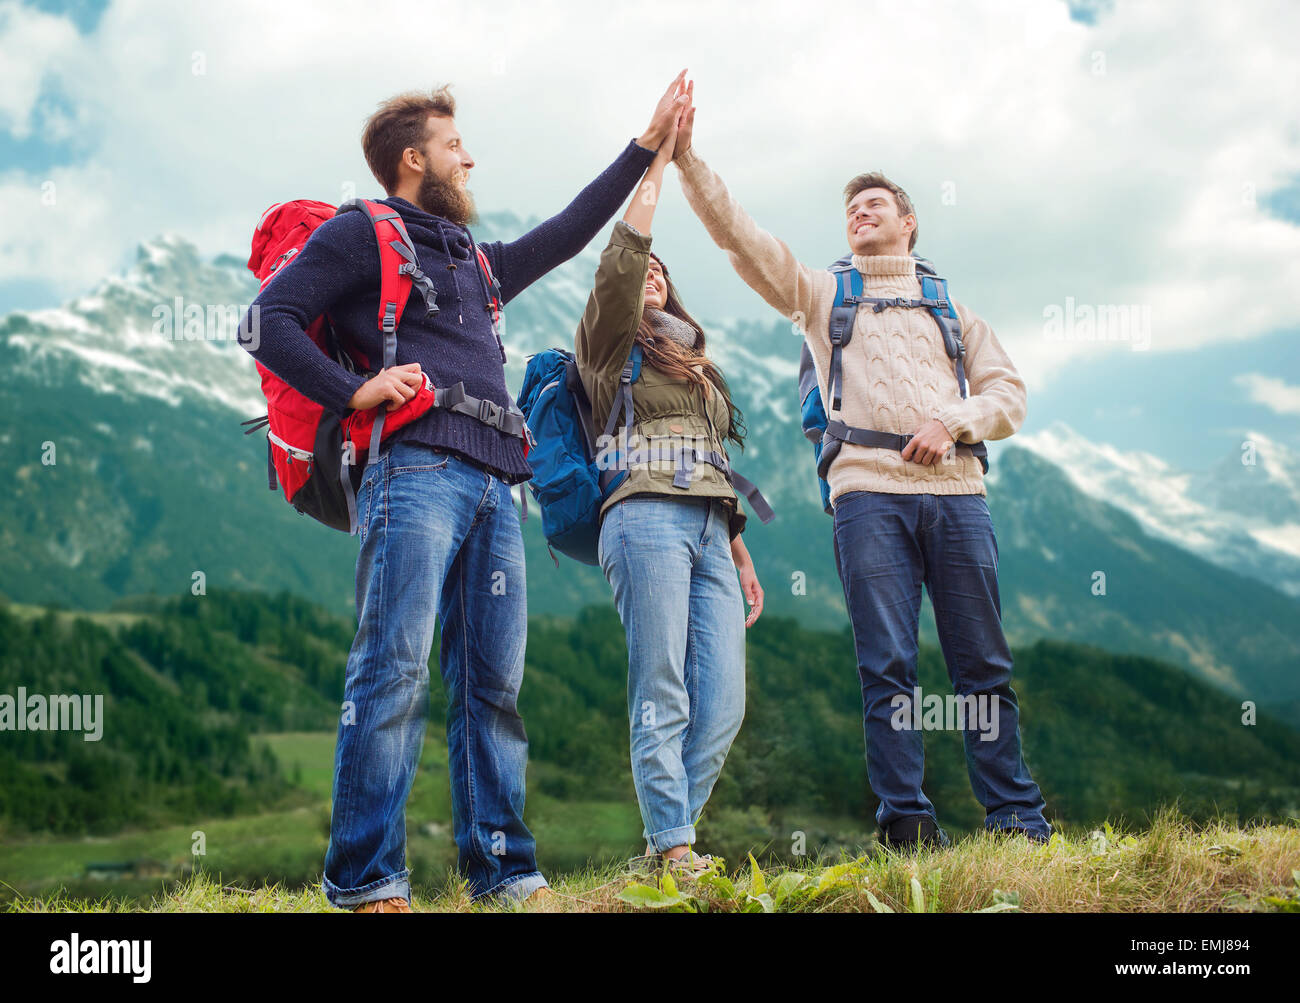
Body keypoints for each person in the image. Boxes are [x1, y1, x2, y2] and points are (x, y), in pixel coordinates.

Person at [239, 73, 692, 910]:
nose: (468, 157)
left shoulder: (474, 261)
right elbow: (264, 321)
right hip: (413, 469)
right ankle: (368, 880)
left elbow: (565, 233)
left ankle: (506, 873)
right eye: (455, 146)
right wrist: (356, 392)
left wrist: (646, 144)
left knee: (493, 684)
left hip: (495, 482)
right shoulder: (361, 233)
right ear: (415, 159)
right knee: (395, 668)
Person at [669, 91, 1050, 849]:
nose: (859, 214)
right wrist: (686, 160)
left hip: (960, 492)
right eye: (851, 209)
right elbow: (742, 242)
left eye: (874, 203)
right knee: (889, 664)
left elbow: (1009, 395)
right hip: (866, 494)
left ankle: (1014, 817)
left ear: (909, 221)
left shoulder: (950, 308)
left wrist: (957, 421)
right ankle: (906, 824)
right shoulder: (822, 293)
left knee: (983, 661)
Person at [574, 83, 764, 874]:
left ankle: (658, 850)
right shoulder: (607, 350)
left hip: (710, 526)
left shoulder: (696, 361)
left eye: (661, 269)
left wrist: (740, 545)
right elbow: (623, 256)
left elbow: (718, 462)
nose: (650, 271)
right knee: (663, 684)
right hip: (642, 512)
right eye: (642, 267)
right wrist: (656, 159)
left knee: (720, 702)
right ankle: (678, 849)